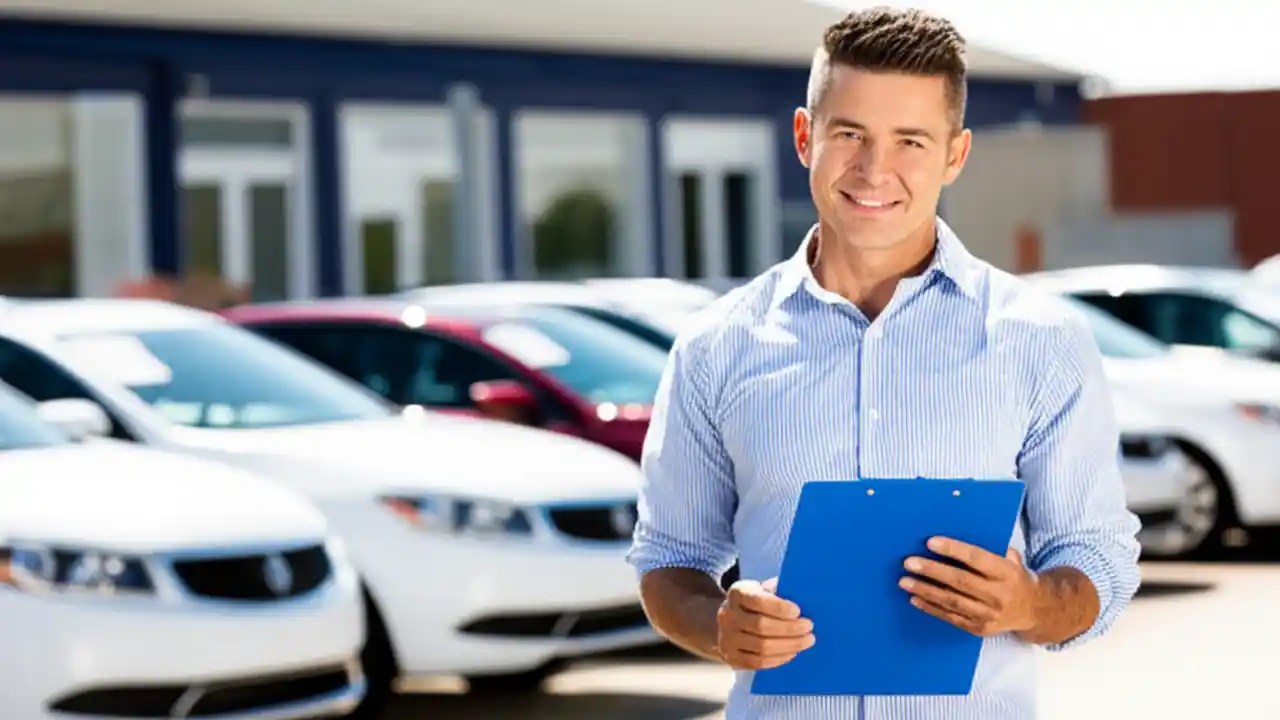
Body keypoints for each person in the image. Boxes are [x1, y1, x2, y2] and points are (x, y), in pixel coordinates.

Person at [626, 6, 1142, 719]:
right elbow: (668, 560)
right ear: (806, 137)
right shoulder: (717, 347)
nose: (875, 170)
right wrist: (718, 623)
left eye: (910, 141)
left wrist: (1029, 602)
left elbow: (1098, 562)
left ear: (954, 156)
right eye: (850, 134)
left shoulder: (1039, 342)